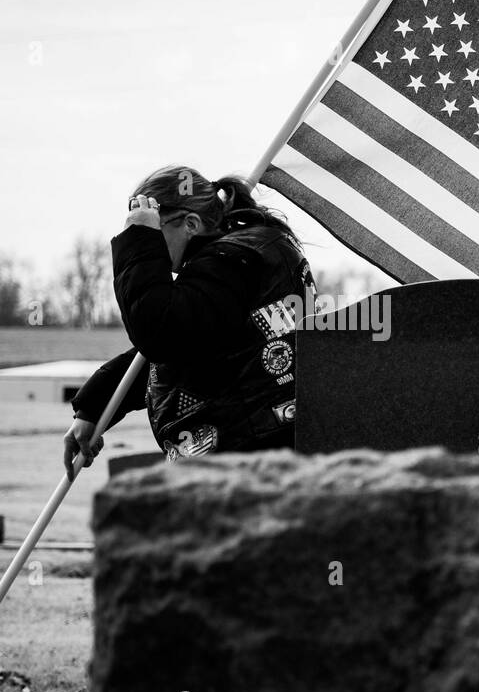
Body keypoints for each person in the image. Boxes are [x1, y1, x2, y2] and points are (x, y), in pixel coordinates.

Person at [62, 168, 315, 478]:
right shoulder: (238, 261)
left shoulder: (233, 262)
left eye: (154, 228)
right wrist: (94, 406)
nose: (149, 240)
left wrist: (138, 242)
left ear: (191, 224)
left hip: (252, 462)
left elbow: (160, 334)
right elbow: (187, 352)